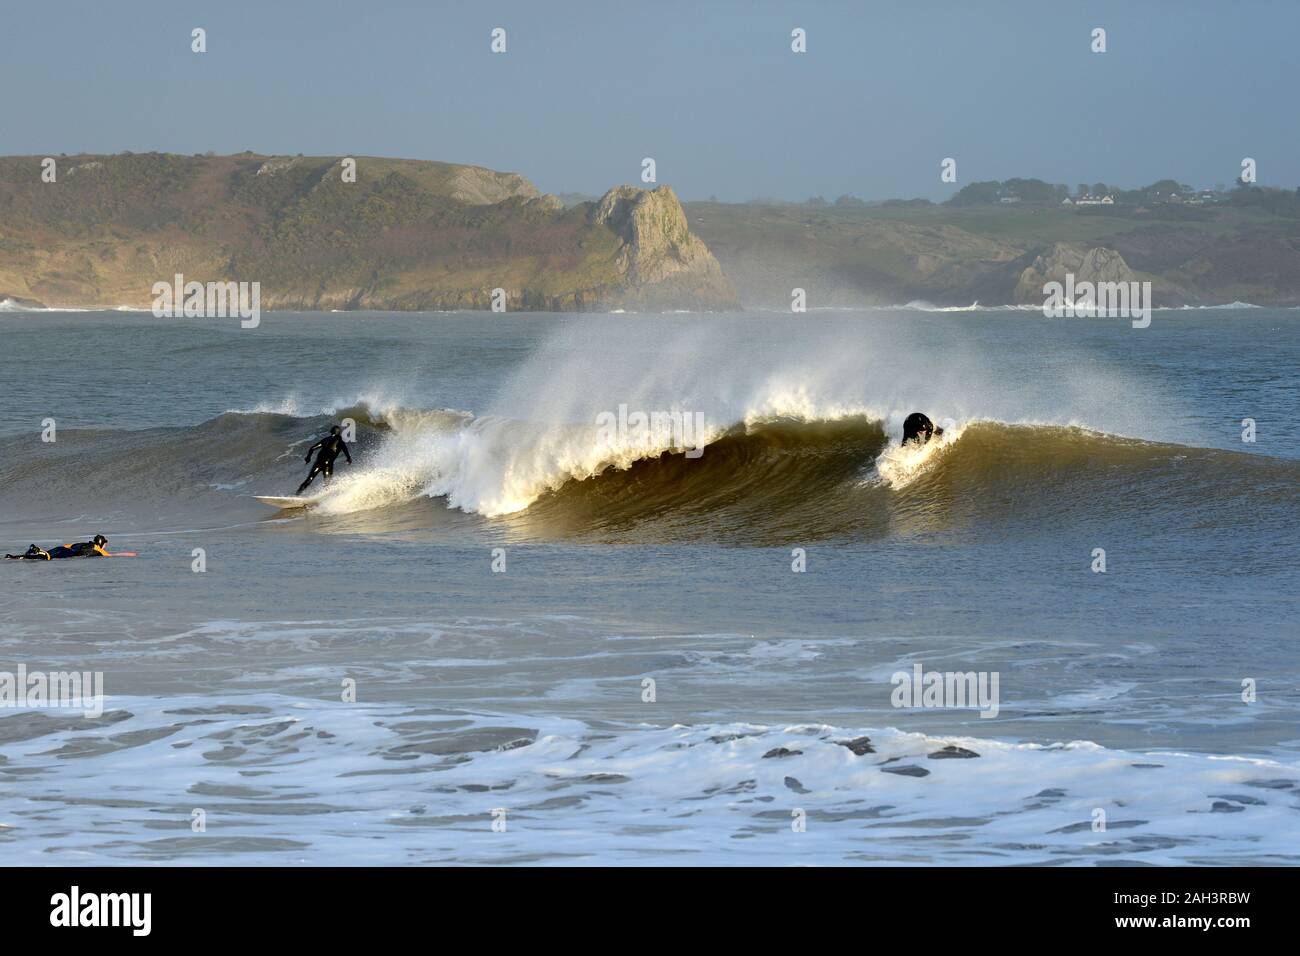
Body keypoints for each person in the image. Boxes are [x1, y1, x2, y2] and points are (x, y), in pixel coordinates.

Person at [297, 425, 353, 494]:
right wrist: (349, 459)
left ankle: (297, 494)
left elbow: (312, 448)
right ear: (339, 433)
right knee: (327, 482)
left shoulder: (325, 439)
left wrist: (308, 458)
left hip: (318, 462)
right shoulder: (340, 442)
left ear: (331, 432)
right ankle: (324, 498)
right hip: (328, 465)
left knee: (310, 479)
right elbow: (346, 451)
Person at [6, 534, 111, 560]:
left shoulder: (82, 543)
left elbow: (67, 546)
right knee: (46, 558)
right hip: (66, 553)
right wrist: (127, 554)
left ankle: (13, 557)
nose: (105, 546)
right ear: (101, 543)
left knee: (42, 556)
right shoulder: (98, 549)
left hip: (62, 548)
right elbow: (109, 556)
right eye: (105, 543)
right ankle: (38, 551)